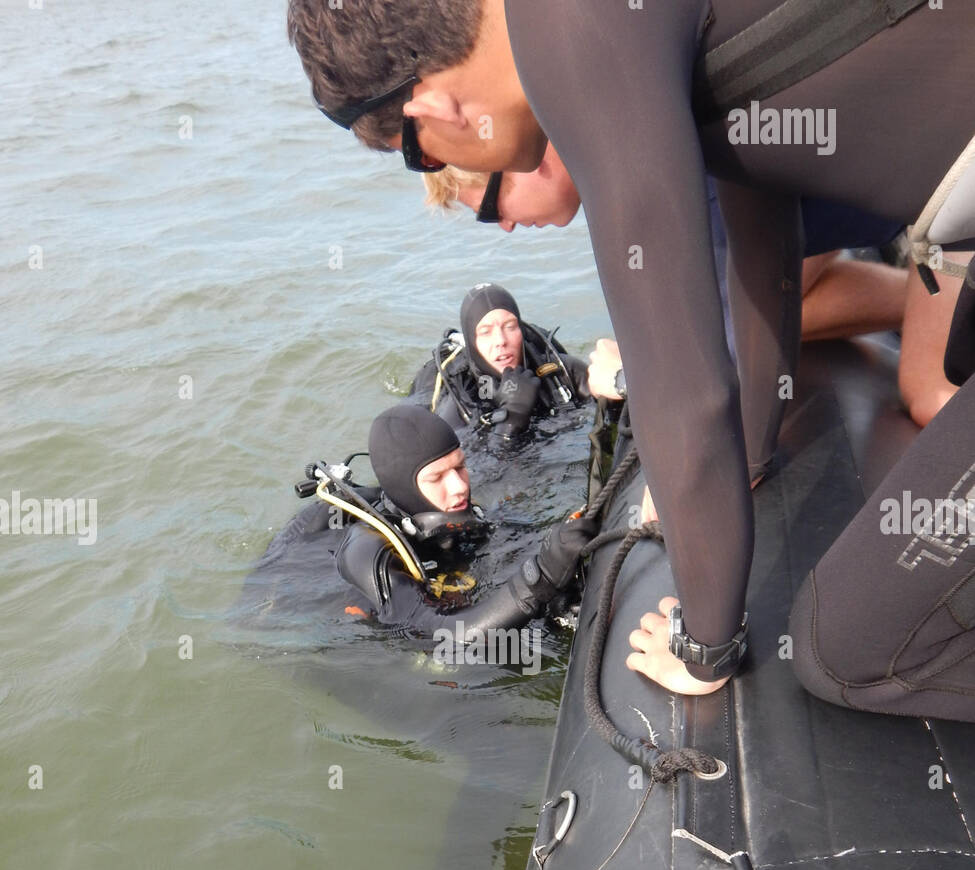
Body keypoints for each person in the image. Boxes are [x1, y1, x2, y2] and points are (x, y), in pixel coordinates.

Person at [287, 0, 975, 720]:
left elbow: (681, 380)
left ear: (436, 107)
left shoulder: (571, 36)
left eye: (421, 155)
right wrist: (744, 452)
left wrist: (706, 642)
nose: (442, 169)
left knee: (845, 650)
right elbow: (763, 245)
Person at [425, 153, 967, 431]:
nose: (505, 228)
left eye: (494, 206)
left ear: (524, 160)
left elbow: (727, 375)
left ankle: (955, 300)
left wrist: (631, 376)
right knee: (781, 304)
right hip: (885, 197)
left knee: (927, 396)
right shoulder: (626, 156)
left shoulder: (680, 183)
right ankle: (929, 301)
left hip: (953, 178)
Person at [295, 402, 596, 644]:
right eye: (437, 477)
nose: (459, 487)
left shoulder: (453, 511)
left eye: (460, 467)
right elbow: (439, 634)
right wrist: (540, 576)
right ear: (404, 487)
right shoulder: (367, 550)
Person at [409, 283, 590, 439]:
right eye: (486, 332)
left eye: (510, 327)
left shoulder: (563, 372)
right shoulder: (458, 407)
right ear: (472, 342)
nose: (501, 341)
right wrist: (513, 416)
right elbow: (481, 475)